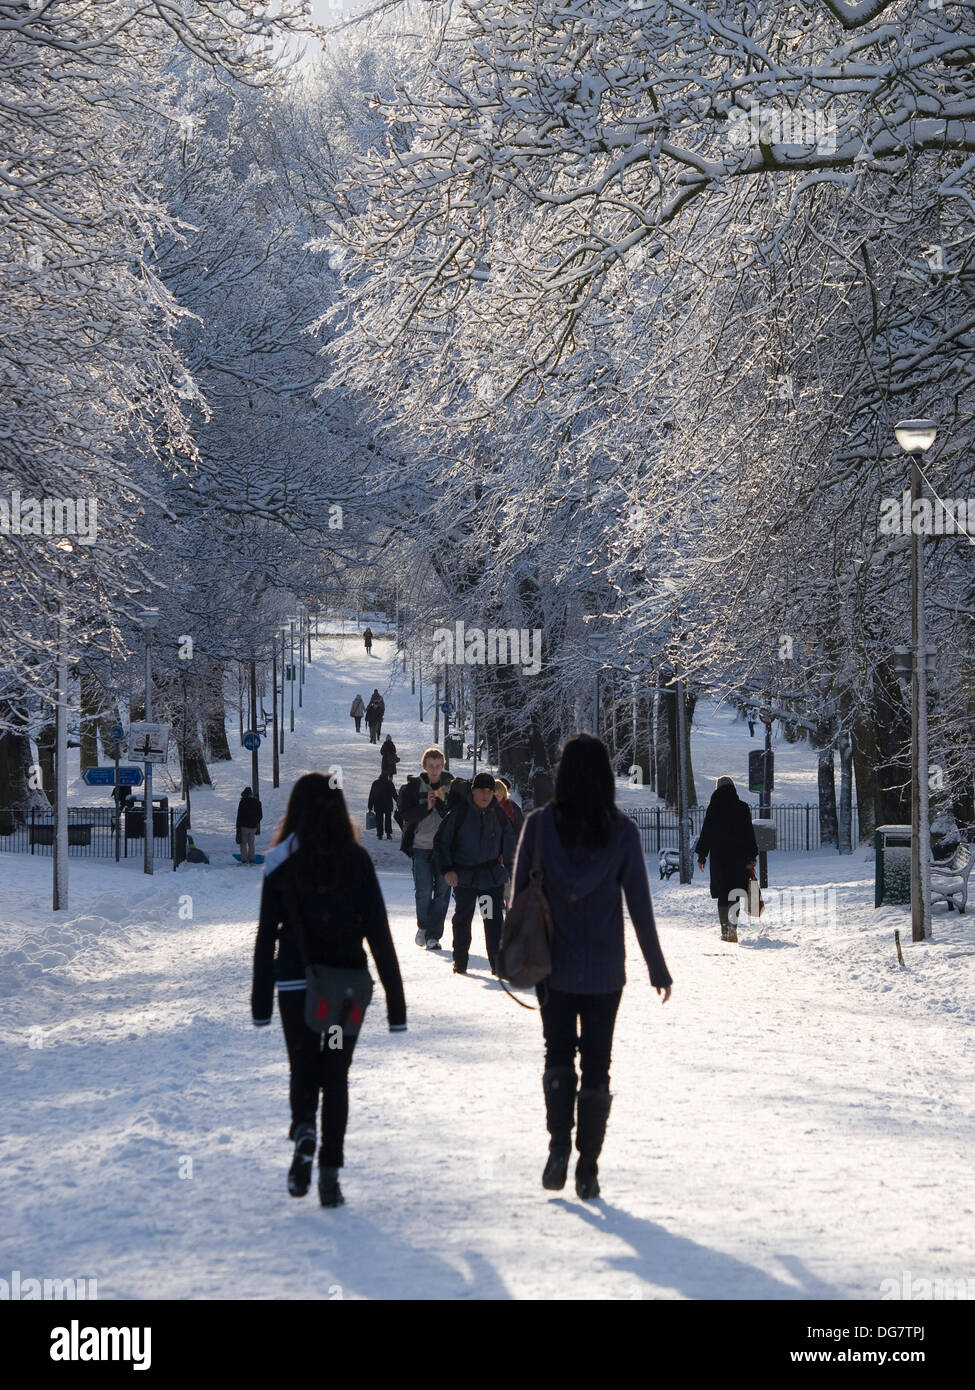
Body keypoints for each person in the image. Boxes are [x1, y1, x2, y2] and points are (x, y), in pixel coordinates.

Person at [511, 733, 673, 1201]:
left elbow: (519, 894)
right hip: (604, 971)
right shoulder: (622, 832)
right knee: (598, 1065)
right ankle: (588, 1167)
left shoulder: (539, 826)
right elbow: (640, 906)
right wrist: (657, 967)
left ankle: (558, 1146)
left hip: (551, 967)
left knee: (557, 1054)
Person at [251, 773, 406, 1207]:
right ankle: (330, 1174)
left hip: (296, 984)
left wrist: (261, 1002)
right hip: (344, 992)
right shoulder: (356, 860)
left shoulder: (280, 860)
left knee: (302, 1064)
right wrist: (396, 1002)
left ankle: (303, 1129)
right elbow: (379, 931)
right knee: (335, 1074)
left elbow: (267, 935)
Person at [435, 772, 516, 976]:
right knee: (463, 918)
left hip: (489, 880)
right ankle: (460, 961)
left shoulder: (499, 816)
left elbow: (510, 846)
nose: (485, 795)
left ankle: (497, 965)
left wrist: (513, 872)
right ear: (473, 791)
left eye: (489, 791)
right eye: (481, 790)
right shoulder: (459, 814)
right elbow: (442, 842)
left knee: (492, 920)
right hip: (464, 878)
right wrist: (448, 870)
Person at [398, 748, 454, 949]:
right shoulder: (413, 787)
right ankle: (423, 926)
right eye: (431, 766)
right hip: (420, 846)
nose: (435, 770)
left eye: (438, 766)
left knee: (442, 892)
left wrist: (439, 803)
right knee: (423, 891)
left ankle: (433, 936)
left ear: (443, 766)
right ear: (424, 766)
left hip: (445, 849)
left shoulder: (451, 786)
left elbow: (456, 814)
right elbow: (405, 815)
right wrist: (426, 807)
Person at [695, 775, 758, 942]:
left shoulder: (713, 808)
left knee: (723, 894)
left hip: (719, 858)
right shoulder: (742, 807)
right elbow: (749, 833)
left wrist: (702, 855)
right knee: (735, 893)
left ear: (717, 788)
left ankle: (724, 929)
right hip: (739, 857)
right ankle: (733, 927)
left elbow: (706, 832)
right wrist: (751, 856)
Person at [236, 786, 263, 865]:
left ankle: (244, 859)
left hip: (244, 826)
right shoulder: (257, 802)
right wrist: (255, 822)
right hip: (253, 827)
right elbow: (260, 816)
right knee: (251, 843)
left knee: (243, 843)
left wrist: (238, 827)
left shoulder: (242, 802)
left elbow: (239, 815)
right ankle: (252, 859)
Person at [368, 771, 398, 840]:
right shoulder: (389, 783)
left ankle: (379, 834)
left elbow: (371, 795)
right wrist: (399, 802)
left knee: (379, 820)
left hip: (378, 805)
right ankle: (388, 834)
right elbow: (394, 794)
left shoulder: (375, 783)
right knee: (388, 820)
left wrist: (370, 806)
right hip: (388, 805)